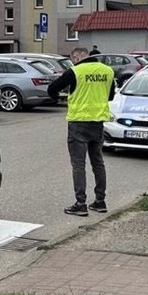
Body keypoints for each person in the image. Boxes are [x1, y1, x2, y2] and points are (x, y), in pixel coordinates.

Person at [48, 47, 115, 217]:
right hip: (98, 122)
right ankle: (100, 201)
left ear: (77, 58)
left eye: (73, 59)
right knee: (98, 162)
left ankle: (81, 203)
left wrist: (60, 97)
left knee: (78, 164)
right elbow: (111, 96)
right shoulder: (107, 71)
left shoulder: (75, 71)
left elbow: (52, 89)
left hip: (78, 122)